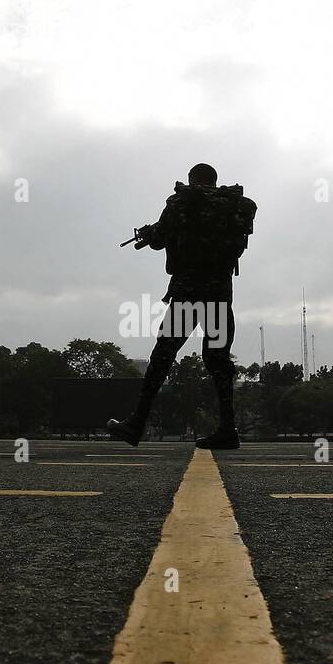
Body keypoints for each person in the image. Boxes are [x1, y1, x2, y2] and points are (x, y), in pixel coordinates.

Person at [107, 163, 256, 449]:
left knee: (163, 356)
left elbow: (160, 238)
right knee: (218, 361)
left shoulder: (181, 201)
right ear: (214, 181)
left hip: (188, 293)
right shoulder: (235, 207)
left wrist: (151, 234)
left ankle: (136, 425)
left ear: (192, 180)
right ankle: (228, 429)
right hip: (220, 293)